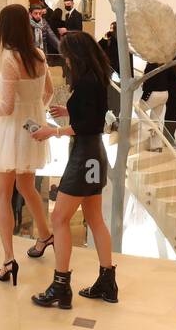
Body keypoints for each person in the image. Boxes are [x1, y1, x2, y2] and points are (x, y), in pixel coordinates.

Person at [30, 31, 115, 308]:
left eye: (66, 54)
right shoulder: (97, 78)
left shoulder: (87, 81)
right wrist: (68, 112)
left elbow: (88, 125)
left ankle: (61, 285)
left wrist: (52, 131)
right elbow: (92, 116)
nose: (65, 60)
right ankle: (107, 282)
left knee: (59, 220)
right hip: (95, 156)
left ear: (76, 54)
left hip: (84, 155)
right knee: (95, 218)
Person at [0, 3, 55, 286]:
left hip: (12, 132)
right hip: (32, 129)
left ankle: (8, 260)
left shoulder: (9, 58)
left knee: (2, 194)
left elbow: (7, 107)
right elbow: (48, 92)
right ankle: (46, 234)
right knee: (27, 186)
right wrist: (34, 115)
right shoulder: (38, 54)